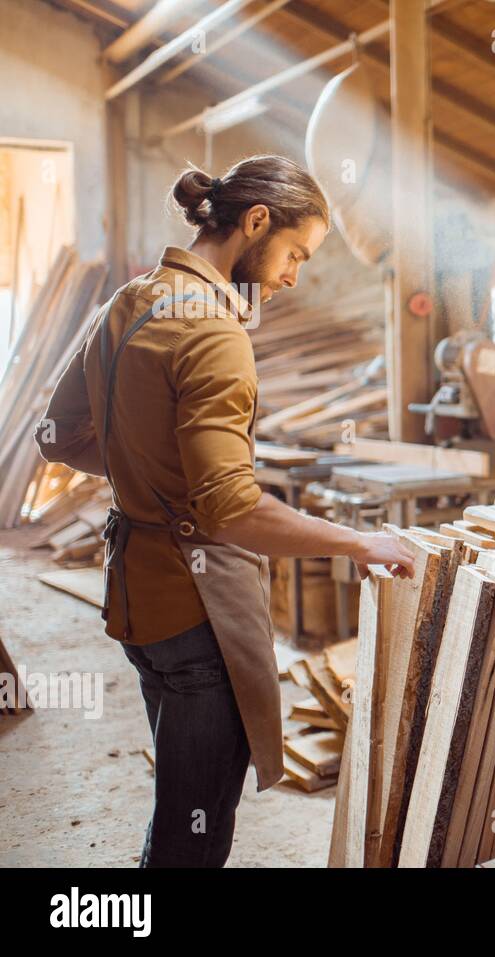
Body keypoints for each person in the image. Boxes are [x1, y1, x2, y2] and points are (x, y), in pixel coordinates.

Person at [35, 154, 415, 867]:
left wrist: (148, 478)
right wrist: (359, 542)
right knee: (194, 836)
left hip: (134, 598)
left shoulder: (130, 300)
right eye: (295, 254)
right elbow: (230, 508)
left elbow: (58, 437)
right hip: (195, 609)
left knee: (178, 807)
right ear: (257, 221)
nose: (293, 276)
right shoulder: (214, 331)